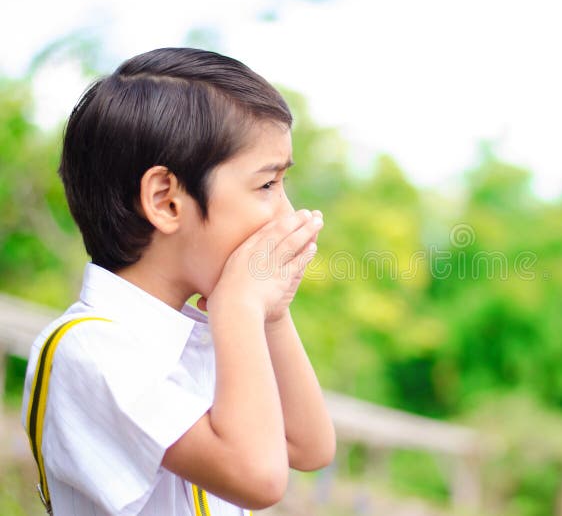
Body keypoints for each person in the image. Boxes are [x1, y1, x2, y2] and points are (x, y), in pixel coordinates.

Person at [19, 47, 337, 516]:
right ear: (166, 200)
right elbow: (259, 478)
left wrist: (270, 315)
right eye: (267, 185)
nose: (287, 214)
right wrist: (241, 308)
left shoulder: (203, 336)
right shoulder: (87, 350)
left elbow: (309, 447)